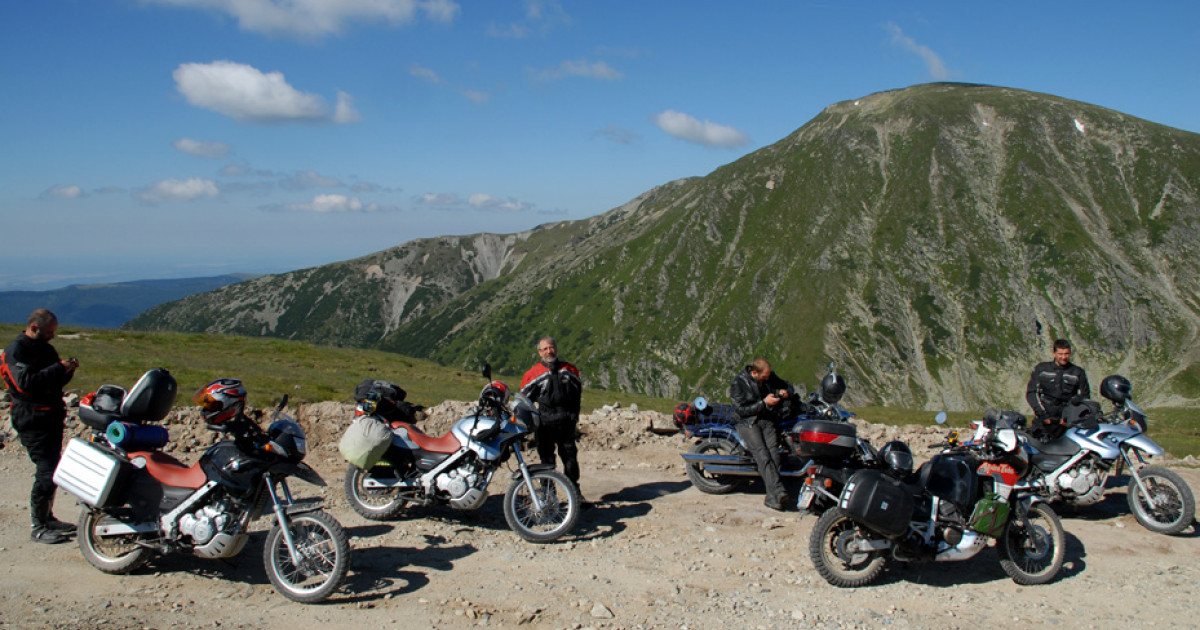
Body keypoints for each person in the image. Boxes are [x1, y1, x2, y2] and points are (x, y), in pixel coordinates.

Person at [3, 309, 79, 544]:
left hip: (50, 415)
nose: (52, 337)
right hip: (31, 418)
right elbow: (25, 384)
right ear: (34, 328)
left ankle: (48, 517)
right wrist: (58, 368)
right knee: (46, 470)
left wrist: (67, 370)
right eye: (49, 332)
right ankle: (38, 526)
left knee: (53, 468)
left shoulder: (45, 349)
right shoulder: (17, 350)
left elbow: (52, 379)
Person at [520, 337, 584, 498]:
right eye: (545, 349)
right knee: (546, 460)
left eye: (552, 347)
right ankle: (548, 495)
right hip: (545, 422)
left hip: (566, 421)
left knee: (570, 458)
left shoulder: (569, 370)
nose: (549, 351)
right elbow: (524, 399)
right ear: (540, 352)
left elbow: (577, 393)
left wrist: (574, 416)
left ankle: (574, 493)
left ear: (556, 348)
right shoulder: (533, 374)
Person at [730, 358, 796, 511]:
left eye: (768, 376)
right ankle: (778, 491)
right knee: (762, 453)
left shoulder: (769, 376)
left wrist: (786, 393)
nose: (768, 378)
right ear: (754, 373)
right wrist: (763, 403)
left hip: (767, 419)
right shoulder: (738, 383)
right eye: (765, 377)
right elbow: (740, 410)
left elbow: (787, 385)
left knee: (774, 454)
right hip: (748, 422)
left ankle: (773, 497)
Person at [1025, 339, 1091, 441]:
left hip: (1066, 423)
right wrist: (1043, 415)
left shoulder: (1078, 372)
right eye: (1060, 354)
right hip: (1044, 420)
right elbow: (1031, 393)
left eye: (1067, 354)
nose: (1064, 357)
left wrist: (1069, 417)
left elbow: (1085, 397)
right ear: (1054, 353)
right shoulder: (1042, 369)